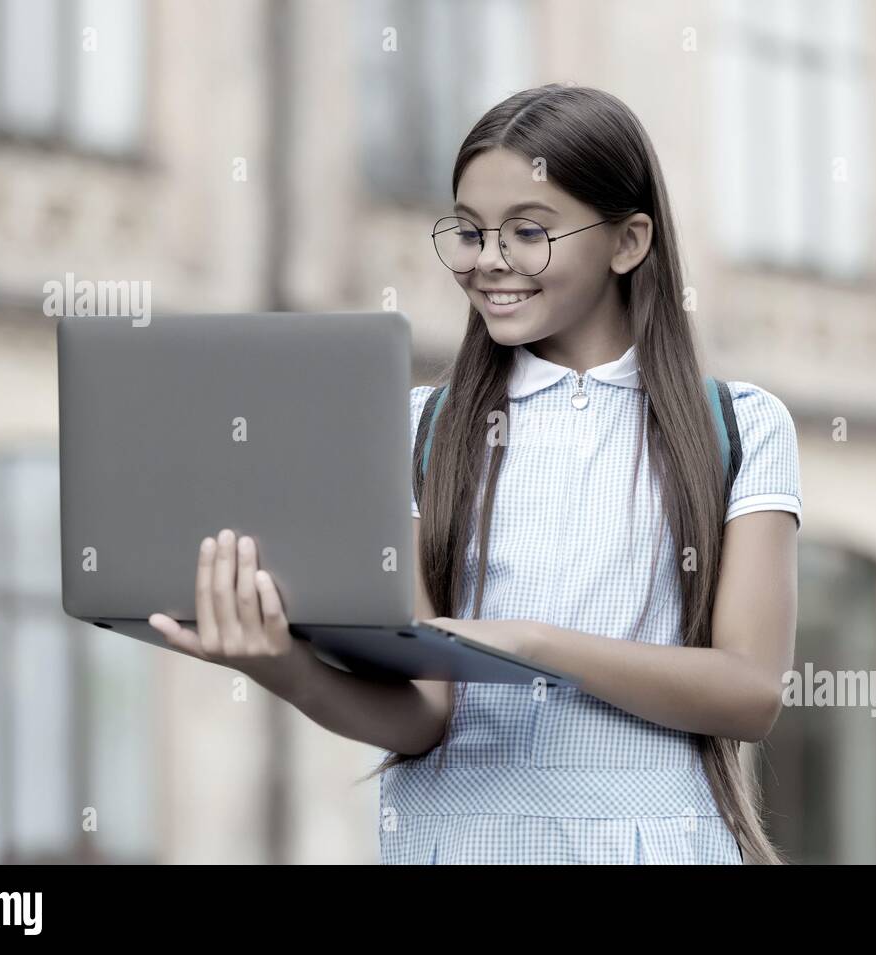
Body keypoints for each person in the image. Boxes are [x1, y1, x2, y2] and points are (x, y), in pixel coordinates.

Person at [149, 84, 802, 864]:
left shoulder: (740, 424)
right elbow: (424, 714)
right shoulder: (420, 427)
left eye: (527, 231)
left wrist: (528, 643)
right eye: (468, 232)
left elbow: (750, 691)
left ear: (629, 242)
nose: (488, 261)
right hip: (453, 841)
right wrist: (282, 666)